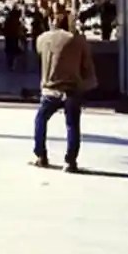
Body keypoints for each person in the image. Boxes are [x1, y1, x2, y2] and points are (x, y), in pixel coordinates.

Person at [31, 11, 97, 173]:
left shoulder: (42, 39)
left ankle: (41, 155)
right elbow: (86, 64)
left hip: (50, 89)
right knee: (72, 125)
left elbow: (39, 54)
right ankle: (70, 161)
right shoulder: (78, 41)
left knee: (41, 119)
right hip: (72, 89)